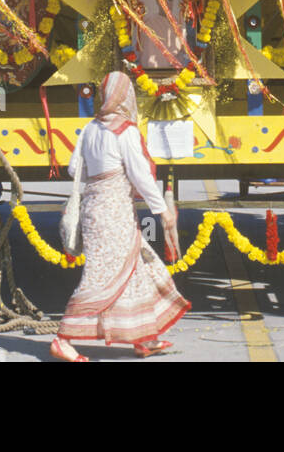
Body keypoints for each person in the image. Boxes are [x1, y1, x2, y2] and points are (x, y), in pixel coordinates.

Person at [50, 71, 190, 363]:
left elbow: (75, 169)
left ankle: (142, 338)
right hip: (114, 214)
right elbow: (140, 176)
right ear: (125, 97)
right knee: (100, 279)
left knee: (138, 269)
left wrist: (101, 175)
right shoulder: (124, 131)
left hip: (94, 210)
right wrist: (162, 211)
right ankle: (62, 338)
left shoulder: (90, 128)